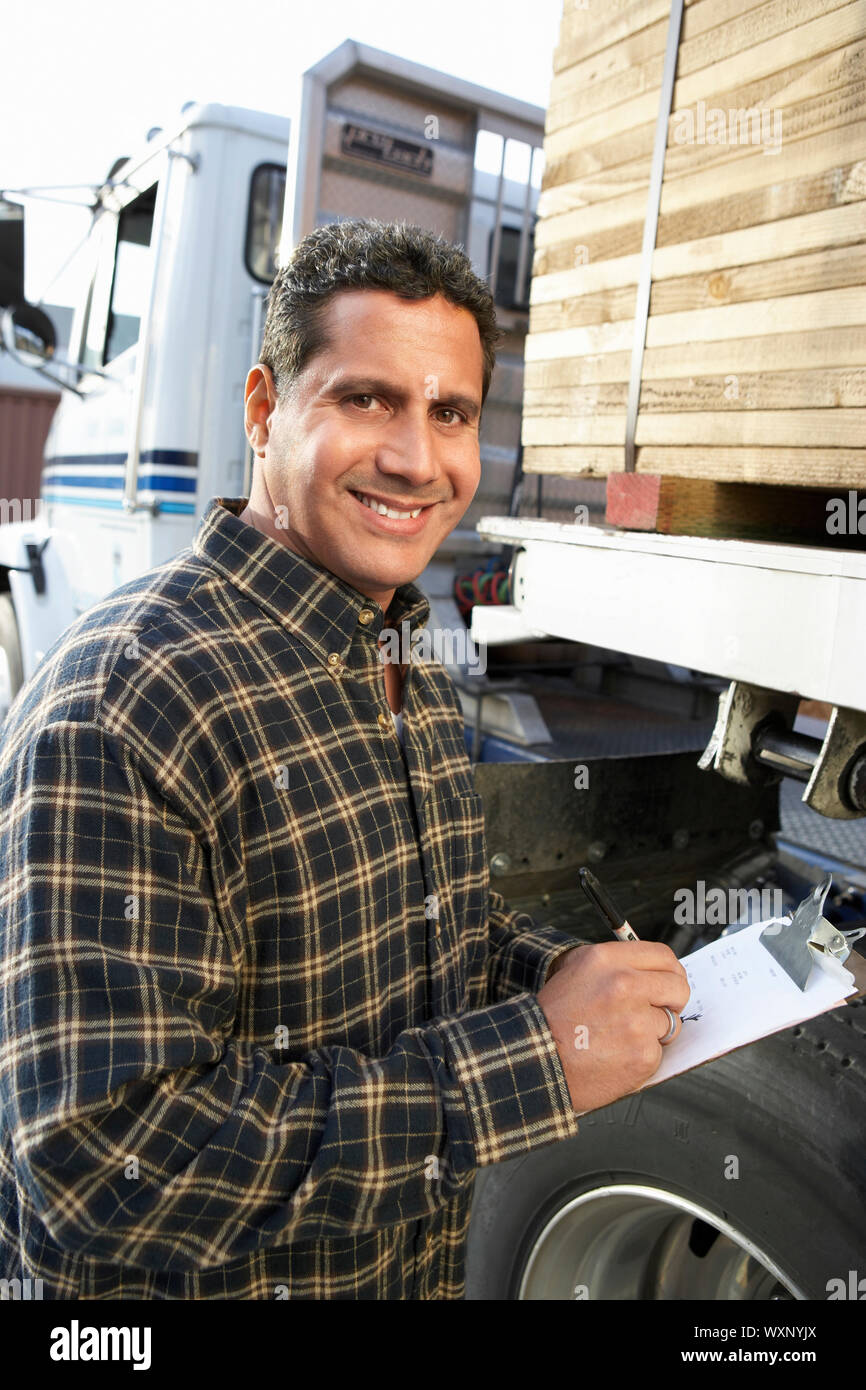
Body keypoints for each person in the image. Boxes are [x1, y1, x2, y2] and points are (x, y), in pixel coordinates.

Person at [0, 218, 688, 1300]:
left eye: (448, 412)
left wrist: (552, 978)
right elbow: (101, 1164)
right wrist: (534, 1062)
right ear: (265, 409)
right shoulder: (129, 700)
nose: (418, 460)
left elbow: (412, 934)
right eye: (368, 399)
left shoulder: (391, 647)